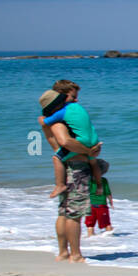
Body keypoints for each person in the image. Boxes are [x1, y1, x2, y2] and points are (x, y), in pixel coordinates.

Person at [37, 88, 104, 263]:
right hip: (76, 167)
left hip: (68, 166)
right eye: (70, 97)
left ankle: (63, 252)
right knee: (74, 214)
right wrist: (89, 150)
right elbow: (66, 142)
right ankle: (75, 255)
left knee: (64, 212)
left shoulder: (55, 121)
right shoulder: (58, 123)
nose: (74, 101)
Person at [38, 80, 103, 198]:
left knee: (56, 158)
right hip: (94, 140)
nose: (76, 100)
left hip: (80, 146)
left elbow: (46, 124)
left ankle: (60, 185)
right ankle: (99, 186)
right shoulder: (77, 107)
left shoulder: (61, 114)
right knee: (94, 163)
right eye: (73, 96)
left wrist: (41, 119)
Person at [86, 171, 113, 235]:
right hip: (101, 205)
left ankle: (90, 239)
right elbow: (108, 192)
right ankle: (110, 240)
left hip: (90, 205)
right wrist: (111, 202)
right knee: (107, 224)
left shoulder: (88, 180)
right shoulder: (103, 180)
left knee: (90, 224)